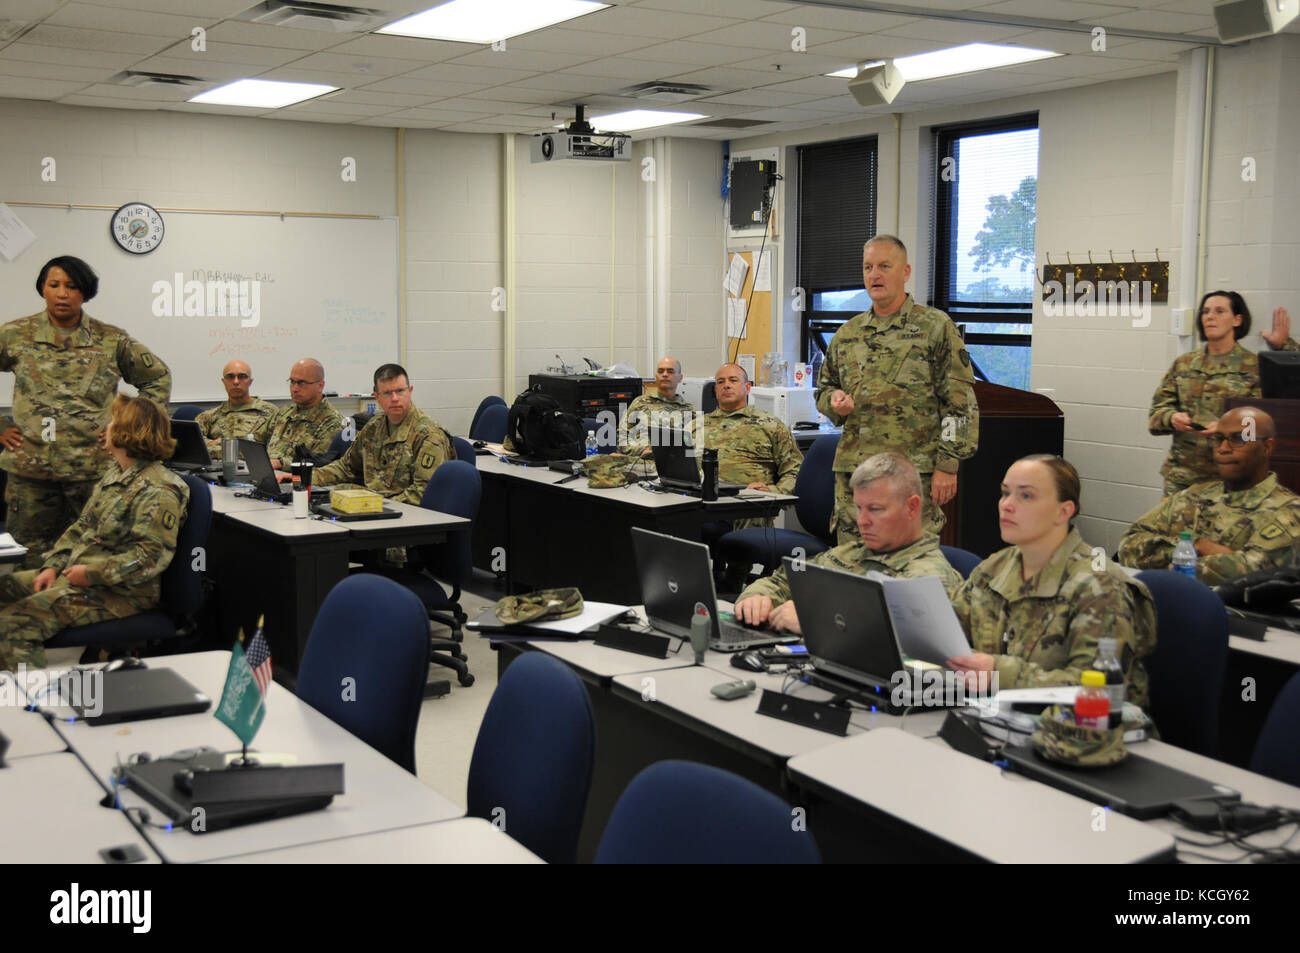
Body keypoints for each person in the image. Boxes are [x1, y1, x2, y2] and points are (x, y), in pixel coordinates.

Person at [0, 255, 171, 569]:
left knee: (93, 552)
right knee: (29, 557)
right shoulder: (15, 335)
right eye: (54, 285)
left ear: (85, 293)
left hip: (94, 472)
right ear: (42, 289)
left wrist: (130, 429)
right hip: (32, 475)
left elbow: (157, 377)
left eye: (72, 286)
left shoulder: (111, 339)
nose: (63, 293)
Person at [947, 454, 1156, 708]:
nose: (1006, 505)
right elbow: (945, 633)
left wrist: (999, 673)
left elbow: (1096, 689)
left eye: (1025, 496)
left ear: (1064, 511)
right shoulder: (993, 569)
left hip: (1081, 734)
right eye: (1004, 493)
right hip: (994, 719)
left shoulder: (1100, 586)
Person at [0, 395, 189, 670]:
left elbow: (149, 557)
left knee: (16, 625)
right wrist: (52, 567)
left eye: (112, 421)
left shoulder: (159, 490)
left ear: (128, 430)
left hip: (121, 592)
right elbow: (81, 528)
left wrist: (90, 574)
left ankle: (28, 703)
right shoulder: (115, 474)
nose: (106, 427)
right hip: (81, 577)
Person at [815, 234, 978, 543]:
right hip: (855, 473)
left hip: (911, 474)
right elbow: (825, 388)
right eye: (868, 267)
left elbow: (959, 403)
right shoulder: (848, 334)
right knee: (853, 570)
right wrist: (834, 400)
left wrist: (947, 464)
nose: (874, 275)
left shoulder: (935, 327)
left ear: (905, 272)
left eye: (884, 266)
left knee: (906, 568)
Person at [734, 453, 961, 634]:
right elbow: (785, 580)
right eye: (859, 508)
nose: (862, 521)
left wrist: (813, 621)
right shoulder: (849, 553)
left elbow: (901, 640)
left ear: (912, 507)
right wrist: (756, 598)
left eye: (875, 509)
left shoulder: (928, 576)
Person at [1119, 407, 1300, 585]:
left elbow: (1251, 574)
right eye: (1218, 439)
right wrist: (1197, 546)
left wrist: (1166, 558)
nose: (1223, 448)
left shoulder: (1289, 511)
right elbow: (1128, 546)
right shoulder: (1194, 495)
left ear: (1267, 447)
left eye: (1239, 439)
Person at [1148, 291, 1296, 496]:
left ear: (1237, 320)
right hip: (1183, 480)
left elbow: (1270, 426)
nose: (1210, 316)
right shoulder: (1184, 364)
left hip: (1233, 481)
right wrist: (1172, 418)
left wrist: (1228, 429)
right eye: (1206, 311)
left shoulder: (1254, 368)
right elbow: (1155, 416)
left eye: (1219, 311)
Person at [313, 363, 452, 506]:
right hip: (375, 509)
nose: (395, 398)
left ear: (410, 391)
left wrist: (373, 504)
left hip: (407, 517)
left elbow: (421, 493)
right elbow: (346, 467)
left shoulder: (429, 436)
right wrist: (304, 478)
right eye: (387, 393)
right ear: (377, 397)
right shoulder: (374, 427)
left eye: (400, 391)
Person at [253, 357, 343, 469]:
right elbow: (256, 442)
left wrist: (281, 463)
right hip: (268, 475)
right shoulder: (283, 413)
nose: (295, 388)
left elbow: (319, 465)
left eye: (302, 383)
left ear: (320, 386)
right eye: (292, 382)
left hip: (298, 481)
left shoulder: (332, 422)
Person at [194, 360, 277, 454]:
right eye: (230, 377)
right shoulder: (209, 416)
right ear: (223, 381)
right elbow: (194, 445)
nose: (236, 381)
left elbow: (274, 451)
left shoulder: (270, 413)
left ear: (250, 381)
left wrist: (221, 445)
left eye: (242, 377)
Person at [620, 356, 696, 455]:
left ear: (680, 378)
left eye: (670, 371)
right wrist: (640, 451)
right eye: (661, 371)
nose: (665, 374)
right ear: (656, 377)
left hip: (672, 465)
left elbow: (694, 446)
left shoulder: (689, 410)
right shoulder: (640, 403)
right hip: (639, 461)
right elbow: (621, 436)